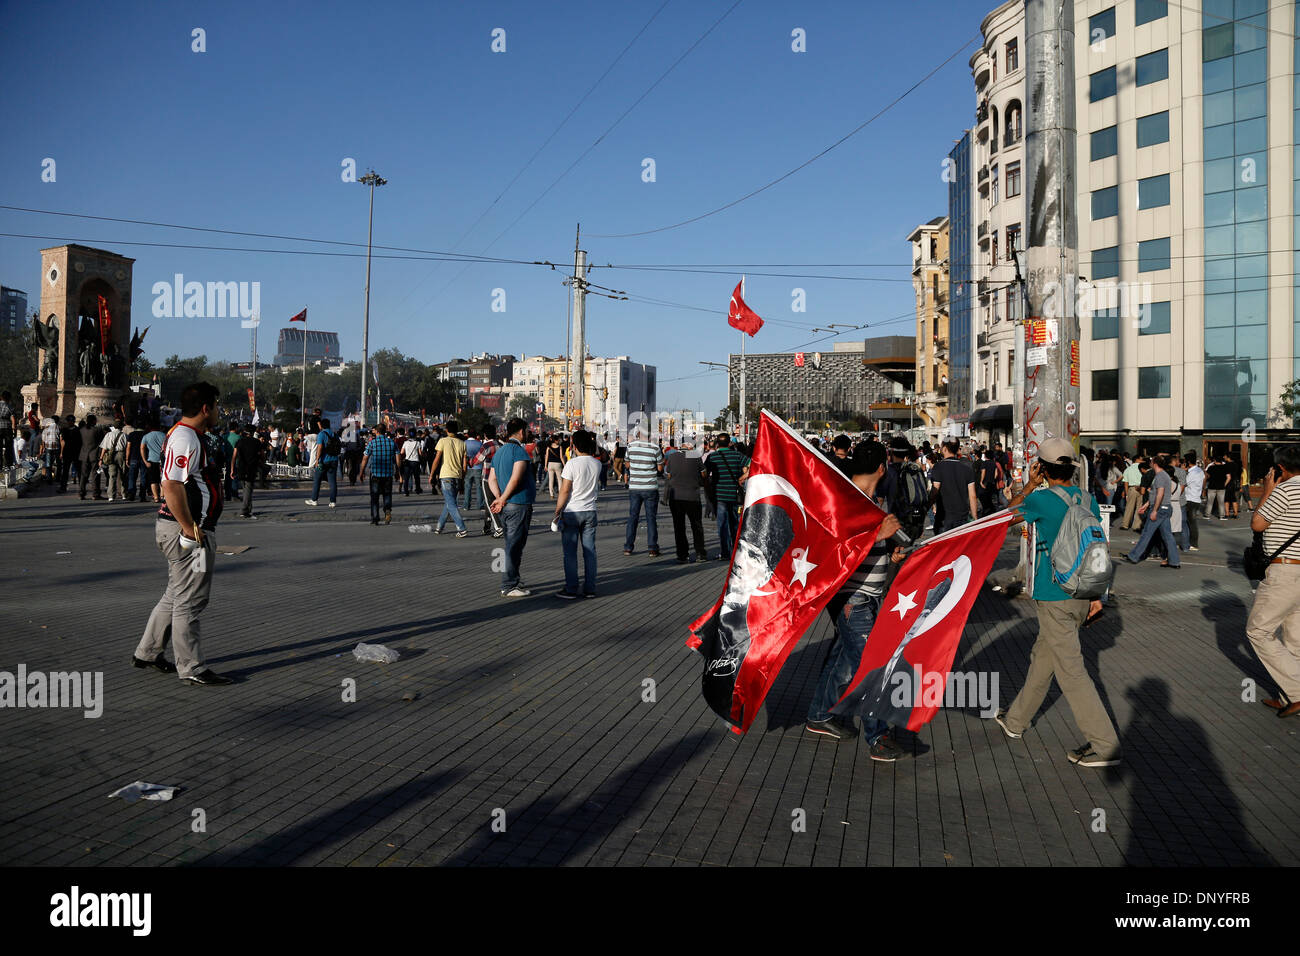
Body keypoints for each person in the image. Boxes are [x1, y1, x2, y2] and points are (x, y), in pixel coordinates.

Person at [995, 439, 1119, 767]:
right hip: (1081, 593)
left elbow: (1005, 519)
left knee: (1071, 671)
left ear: (1044, 469)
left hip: (1055, 597)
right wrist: (1095, 597)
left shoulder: (1041, 500)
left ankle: (1105, 746)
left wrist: (1030, 485)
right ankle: (1016, 721)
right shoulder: (1087, 499)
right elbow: (1096, 548)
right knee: (1043, 657)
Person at [804, 441, 910, 760]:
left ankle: (820, 714)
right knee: (872, 667)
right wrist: (877, 537)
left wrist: (889, 555)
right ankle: (878, 736)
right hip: (853, 599)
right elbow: (836, 547)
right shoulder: (847, 500)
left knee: (844, 660)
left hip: (869, 597)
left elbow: (865, 548)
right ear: (882, 467)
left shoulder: (872, 500)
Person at [133, 382, 232, 686]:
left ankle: (147, 652)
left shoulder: (186, 435)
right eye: (216, 406)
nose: (218, 412)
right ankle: (191, 666)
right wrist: (191, 528)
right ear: (206, 408)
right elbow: (171, 485)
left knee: (176, 593)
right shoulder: (186, 438)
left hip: (184, 531)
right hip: (190, 536)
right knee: (191, 599)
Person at [1245, 444, 1300, 719]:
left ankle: (1297, 692)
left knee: (1258, 631)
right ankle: (1288, 695)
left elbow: (1257, 524)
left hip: (1284, 572)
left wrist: (1267, 491)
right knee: (1294, 638)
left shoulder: (1284, 490)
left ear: (1279, 468)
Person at [488, 418, 537, 597]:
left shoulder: (499, 452)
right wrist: (503, 498)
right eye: (526, 430)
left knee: (511, 543)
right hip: (519, 503)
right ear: (521, 432)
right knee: (514, 546)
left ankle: (513, 578)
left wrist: (499, 497)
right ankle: (509, 585)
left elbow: (491, 479)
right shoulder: (520, 452)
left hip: (507, 506)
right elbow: (515, 479)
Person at [551, 430, 602, 599]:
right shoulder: (597, 463)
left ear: (574, 445)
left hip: (572, 512)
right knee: (590, 552)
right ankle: (590, 588)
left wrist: (557, 513)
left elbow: (565, 491)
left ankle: (571, 588)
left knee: (570, 553)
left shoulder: (572, 464)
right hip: (590, 511)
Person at [1126, 454, 1180, 568]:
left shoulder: (1160, 476)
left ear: (1154, 464)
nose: (1149, 463)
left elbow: (1160, 494)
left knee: (1146, 533)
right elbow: (1157, 494)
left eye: (1151, 461)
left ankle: (1134, 556)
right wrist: (1146, 505)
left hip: (1159, 509)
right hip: (1165, 508)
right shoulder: (1164, 475)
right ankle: (1174, 561)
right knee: (1167, 535)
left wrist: (1154, 510)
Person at [664, 441, 709, 564]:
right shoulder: (695, 456)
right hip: (692, 497)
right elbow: (704, 474)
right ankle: (700, 553)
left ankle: (682, 555)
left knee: (679, 527)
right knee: (696, 525)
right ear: (690, 448)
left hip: (676, 497)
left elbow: (668, 475)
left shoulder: (672, 457)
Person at [623, 426, 665, 557]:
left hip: (635, 487)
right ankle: (652, 548)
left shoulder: (630, 446)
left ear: (638, 434)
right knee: (651, 518)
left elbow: (627, 464)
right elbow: (659, 468)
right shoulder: (655, 448)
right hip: (650, 487)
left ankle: (628, 547)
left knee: (633, 517)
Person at [707, 434, 749, 559]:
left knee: (722, 525)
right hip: (734, 494)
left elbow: (704, 472)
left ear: (717, 444)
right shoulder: (737, 455)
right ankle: (737, 552)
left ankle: (725, 553)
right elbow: (752, 464)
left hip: (719, 495)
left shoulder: (712, 456)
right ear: (730, 443)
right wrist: (742, 477)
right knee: (734, 524)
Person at [929, 439, 978, 533]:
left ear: (945, 449)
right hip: (962, 518)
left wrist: (927, 507)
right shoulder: (967, 468)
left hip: (944, 517)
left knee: (943, 547)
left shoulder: (938, 467)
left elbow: (934, 492)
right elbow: (972, 496)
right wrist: (975, 518)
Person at [430, 419, 469, 536]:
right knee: (449, 503)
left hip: (446, 475)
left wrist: (432, 474)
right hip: (457, 476)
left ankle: (461, 528)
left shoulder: (442, 441)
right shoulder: (462, 444)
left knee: (451, 504)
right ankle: (439, 527)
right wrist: (462, 481)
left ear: (446, 430)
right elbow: (465, 465)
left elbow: (437, 459)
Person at [361, 423, 399, 525]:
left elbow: (365, 458)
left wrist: (361, 472)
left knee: (374, 496)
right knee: (387, 494)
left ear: (377, 432)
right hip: (388, 474)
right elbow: (397, 458)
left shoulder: (372, 443)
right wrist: (398, 472)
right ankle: (387, 510)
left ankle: (375, 517)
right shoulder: (392, 443)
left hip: (375, 475)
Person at [230, 425, 263, 518]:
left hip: (241, 467)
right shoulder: (257, 442)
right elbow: (263, 455)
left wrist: (232, 469)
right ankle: (244, 510)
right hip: (251, 467)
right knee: (248, 488)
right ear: (253, 433)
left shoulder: (239, 442)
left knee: (246, 488)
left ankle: (248, 509)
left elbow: (234, 456)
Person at [305, 418, 339, 507]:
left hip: (324, 461)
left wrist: (317, 460)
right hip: (334, 460)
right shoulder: (335, 434)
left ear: (322, 426)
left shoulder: (321, 434)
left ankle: (314, 500)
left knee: (317, 480)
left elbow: (319, 448)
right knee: (332, 482)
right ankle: (332, 501)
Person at [99, 418, 128, 501]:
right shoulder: (124, 435)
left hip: (110, 455)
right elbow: (127, 447)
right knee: (123, 474)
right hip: (121, 454)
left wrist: (101, 458)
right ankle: (124, 494)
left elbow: (104, 448)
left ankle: (111, 495)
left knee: (112, 475)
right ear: (121, 427)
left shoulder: (108, 435)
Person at [77, 415, 103, 500]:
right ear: (94, 421)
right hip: (94, 455)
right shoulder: (97, 430)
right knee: (95, 475)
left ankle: (81, 493)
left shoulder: (81, 430)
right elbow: (101, 442)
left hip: (84, 454)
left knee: (83, 475)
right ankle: (95, 494)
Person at [1182, 452, 1203, 552]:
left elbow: (1184, 483)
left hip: (1190, 498)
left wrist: (1183, 472)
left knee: (1190, 522)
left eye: (1185, 461)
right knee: (1191, 522)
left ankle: (1193, 543)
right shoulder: (1199, 470)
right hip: (1196, 498)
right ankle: (1191, 543)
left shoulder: (1192, 473)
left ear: (1188, 462)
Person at [1117, 456, 1144, 530]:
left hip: (1132, 489)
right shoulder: (1143, 468)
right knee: (1139, 507)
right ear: (1137, 459)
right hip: (1141, 488)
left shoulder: (1128, 469)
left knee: (1129, 507)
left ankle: (1125, 524)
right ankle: (1137, 525)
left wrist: (1126, 493)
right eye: (1141, 459)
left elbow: (1126, 482)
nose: (1142, 460)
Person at [142, 420, 166, 503]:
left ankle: (156, 497)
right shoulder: (164, 435)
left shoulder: (146, 436)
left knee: (153, 480)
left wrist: (145, 461)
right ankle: (162, 496)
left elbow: (142, 448)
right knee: (163, 479)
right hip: (163, 460)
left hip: (151, 460)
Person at [57, 415, 81, 493]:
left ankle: (81, 487)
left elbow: (62, 442)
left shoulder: (66, 430)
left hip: (72, 452)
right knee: (66, 471)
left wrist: (61, 452)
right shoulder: (76, 430)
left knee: (75, 470)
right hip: (71, 452)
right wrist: (61, 452)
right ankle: (63, 487)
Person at [1205, 454, 1231, 519]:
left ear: (1215, 460)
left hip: (1211, 486)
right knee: (1221, 502)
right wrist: (1224, 484)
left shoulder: (1211, 467)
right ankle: (1222, 516)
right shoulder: (1225, 467)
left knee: (1210, 502)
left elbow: (1206, 475)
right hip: (1221, 487)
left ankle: (1207, 515)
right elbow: (1229, 477)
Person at [399, 428, 423, 496]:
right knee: (416, 477)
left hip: (407, 462)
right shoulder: (418, 443)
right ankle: (418, 490)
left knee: (406, 477)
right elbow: (420, 453)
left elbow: (402, 452)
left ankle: (406, 491)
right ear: (415, 434)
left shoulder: (405, 443)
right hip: (416, 462)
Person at [0, 391, 14, 468]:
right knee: (8, 447)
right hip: (7, 428)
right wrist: (14, 428)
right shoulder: (9, 406)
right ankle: (8, 464)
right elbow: (12, 418)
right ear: (9, 398)